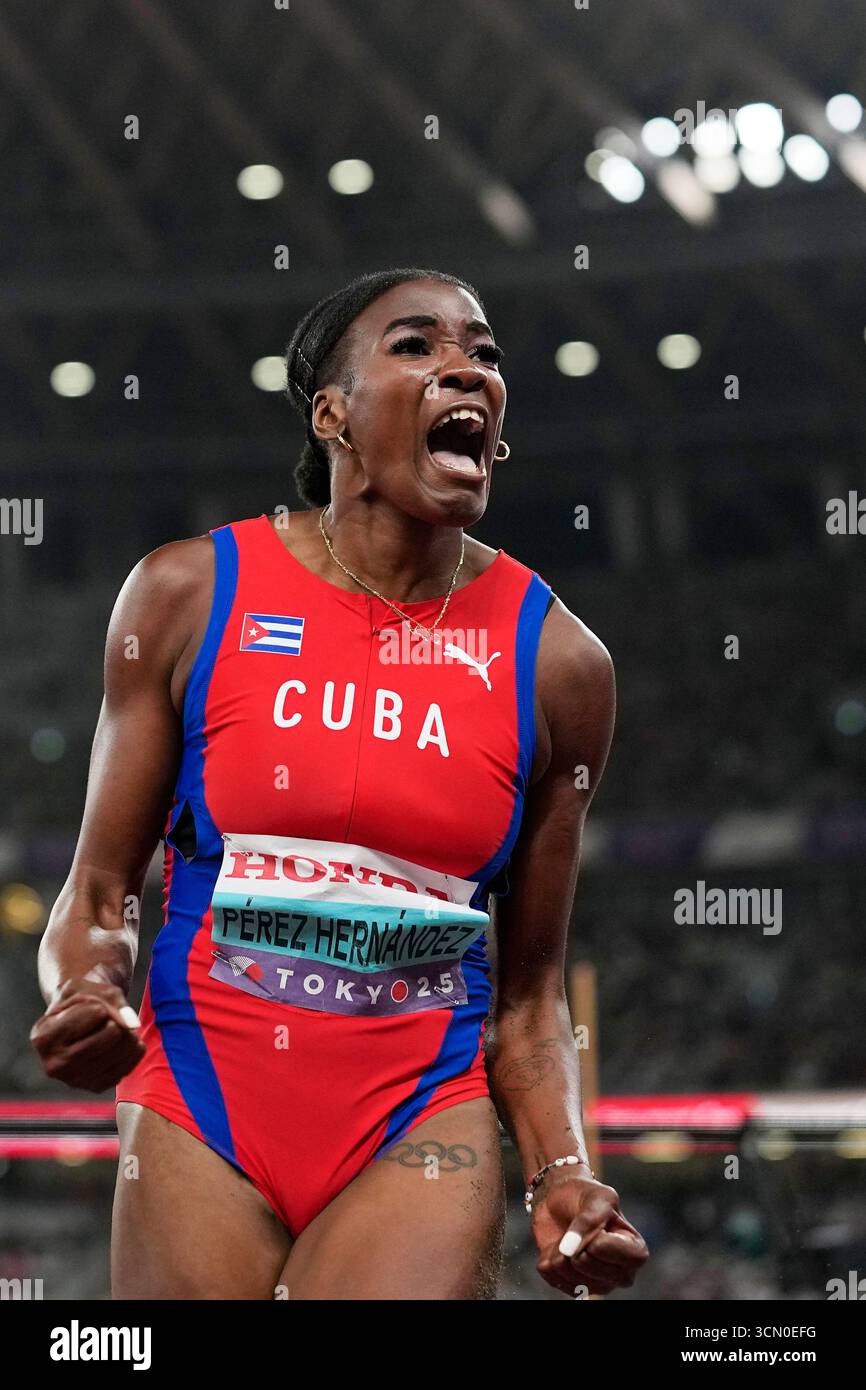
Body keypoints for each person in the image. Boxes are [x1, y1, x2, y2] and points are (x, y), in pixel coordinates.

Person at [31, 266, 648, 1300]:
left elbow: (533, 994)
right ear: (334, 415)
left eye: (484, 354)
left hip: (418, 1115)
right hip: (203, 1096)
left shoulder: (558, 665)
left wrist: (562, 1167)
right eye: (416, 346)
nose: (465, 368)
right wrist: (86, 986)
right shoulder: (188, 595)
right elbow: (98, 893)